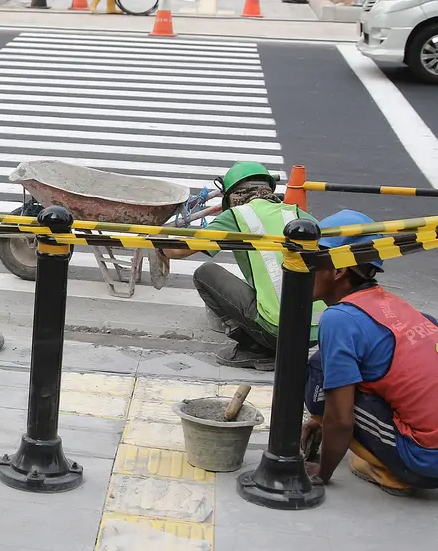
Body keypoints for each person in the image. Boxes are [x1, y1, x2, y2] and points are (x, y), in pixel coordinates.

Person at [302, 209, 438, 496]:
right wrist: (320, 422)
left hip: (427, 459)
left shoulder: (339, 319)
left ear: (338, 270)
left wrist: (321, 474)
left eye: (312, 261)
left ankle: (395, 474)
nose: (303, 268)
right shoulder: (393, 304)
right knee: (334, 370)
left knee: (317, 374)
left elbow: (341, 420)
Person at [159, 161, 324, 370]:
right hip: (315, 332)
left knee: (205, 273)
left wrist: (158, 247)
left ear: (233, 195)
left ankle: (256, 349)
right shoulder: (299, 216)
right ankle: (270, 346)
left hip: (276, 328)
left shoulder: (238, 215)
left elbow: (180, 250)